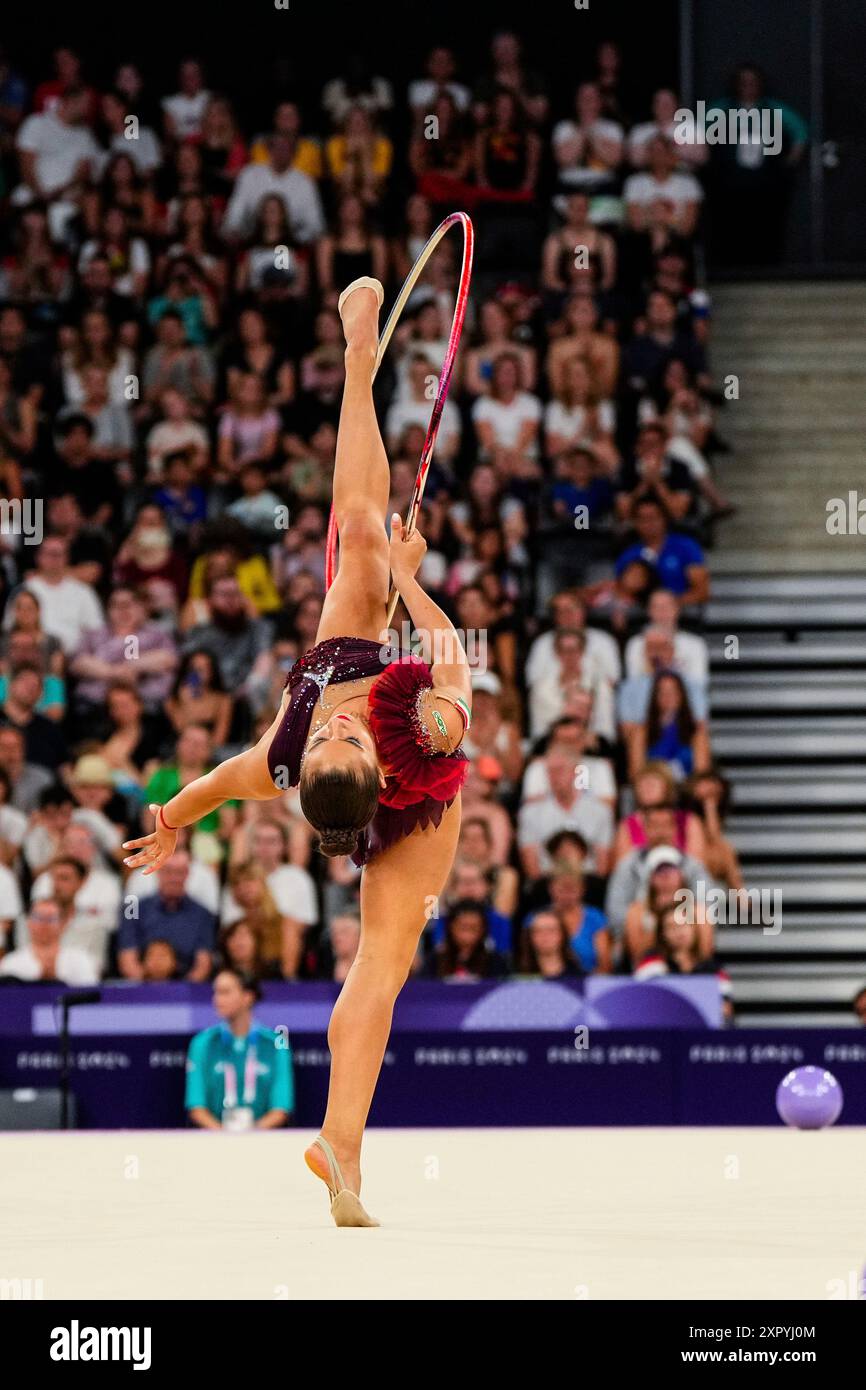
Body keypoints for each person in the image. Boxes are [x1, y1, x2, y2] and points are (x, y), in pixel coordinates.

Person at [122, 277, 473, 1227]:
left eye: (335, 734)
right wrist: (416, 582)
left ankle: (339, 1149)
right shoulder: (399, 733)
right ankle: (347, 1153)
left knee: (358, 537)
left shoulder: (295, 743)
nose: (338, 726)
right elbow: (450, 665)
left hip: (384, 727)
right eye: (341, 735)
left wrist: (165, 821)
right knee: (383, 960)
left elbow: (213, 785)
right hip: (418, 782)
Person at [185, 968, 294, 1130]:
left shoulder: (276, 1044)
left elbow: (281, 1107)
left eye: (225, 992)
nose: (216, 999)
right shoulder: (201, 1043)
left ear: (247, 997)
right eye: (215, 992)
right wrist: (225, 1137)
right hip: (213, 1142)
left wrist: (250, 1137)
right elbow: (196, 1106)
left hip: (263, 1142)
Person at [117, 851, 216, 981]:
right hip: (142, 987)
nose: (174, 878)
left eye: (179, 872)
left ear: (187, 874)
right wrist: (151, 989)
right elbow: (127, 959)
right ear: (157, 872)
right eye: (168, 871)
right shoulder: (133, 909)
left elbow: (203, 965)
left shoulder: (203, 914)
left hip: (185, 990)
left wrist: (179, 992)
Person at [0, 897, 97, 985]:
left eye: (51, 919)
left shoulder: (80, 959)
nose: (44, 924)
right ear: (28, 922)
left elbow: (91, 997)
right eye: (38, 918)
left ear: (63, 923)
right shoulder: (10, 963)